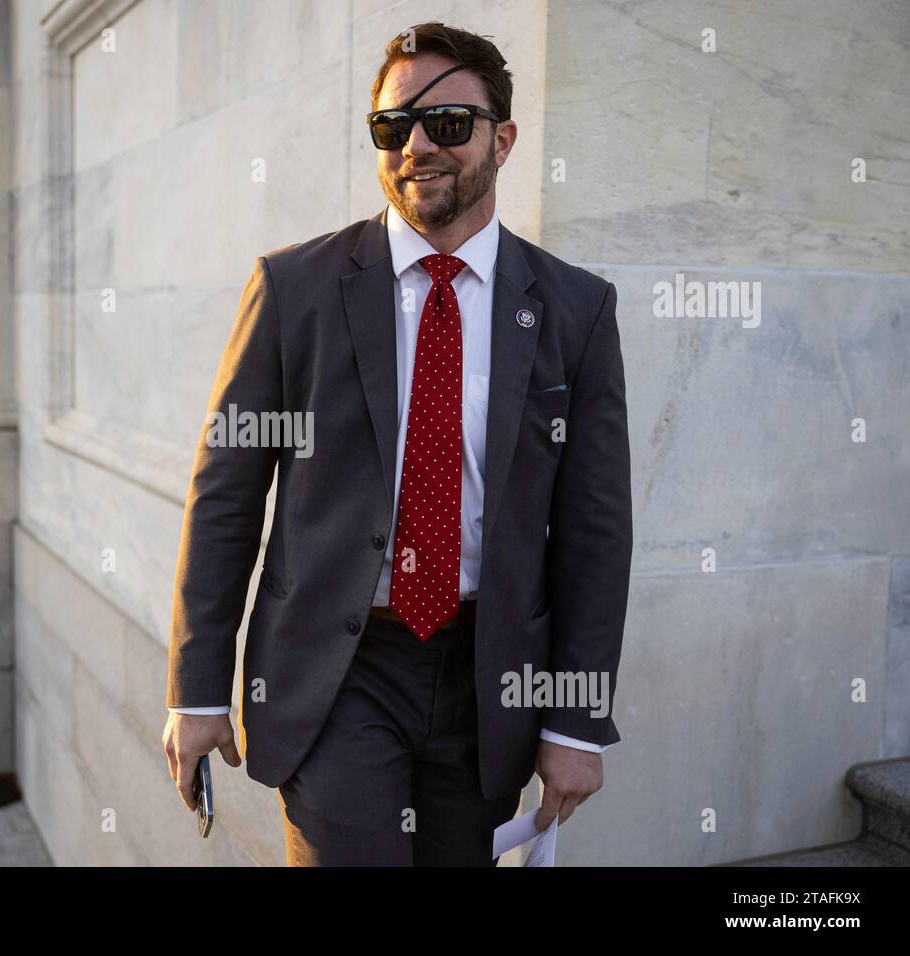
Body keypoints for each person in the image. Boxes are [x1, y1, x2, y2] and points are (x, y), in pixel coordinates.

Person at [162, 21, 632, 866]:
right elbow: (226, 495)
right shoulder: (293, 288)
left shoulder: (576, 310)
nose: (418, 145)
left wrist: (575, 717)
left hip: (492, 679)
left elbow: (595, 532)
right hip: (337, 670)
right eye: (392, 126)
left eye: (448, 123)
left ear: (503, 139)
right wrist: (197, 689)